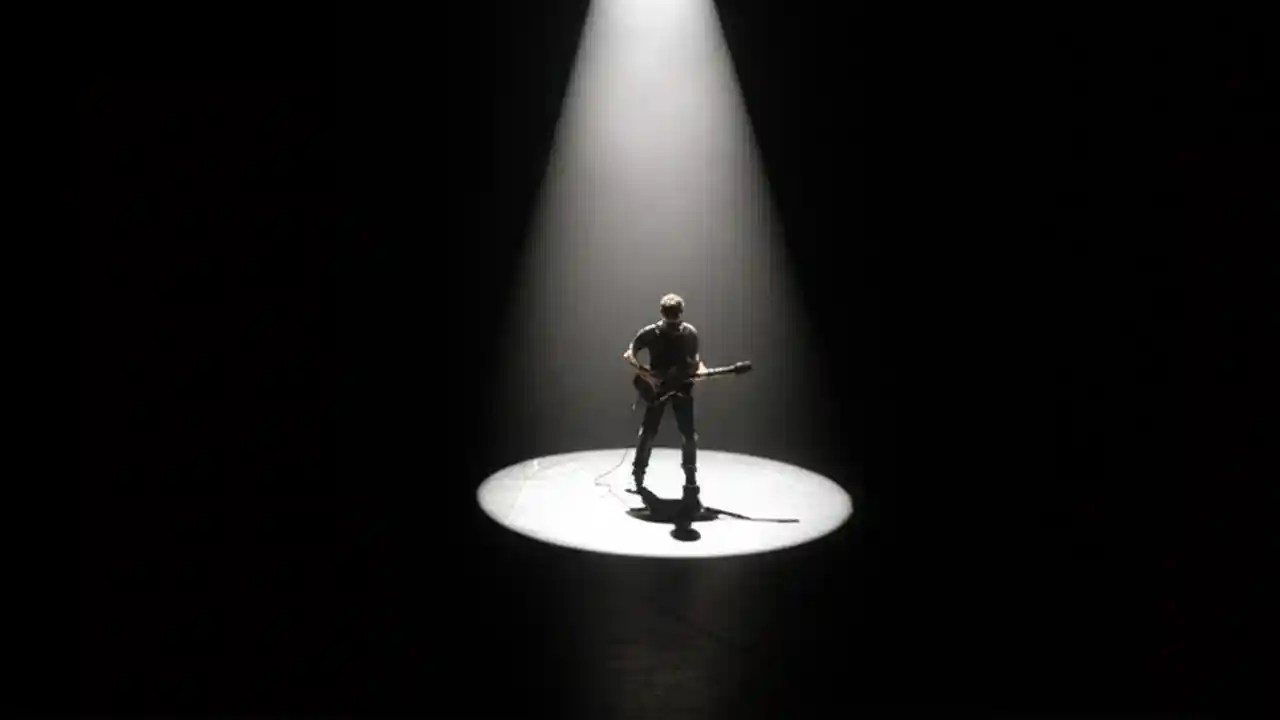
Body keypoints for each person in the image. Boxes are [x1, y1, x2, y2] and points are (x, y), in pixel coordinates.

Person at [622, 293, 707, 509]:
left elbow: (695, 360)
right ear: (662, 313)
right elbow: (630, 353)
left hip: (682, 388)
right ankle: (638, 473)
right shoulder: (651, 333)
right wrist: (645, 373)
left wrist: (698, 369)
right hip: (658, 390)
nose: (673, 321)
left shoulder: (689, 333)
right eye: (670, 317)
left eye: (675, 317)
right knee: (648, 432)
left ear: (681, 314)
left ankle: (690, 479)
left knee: (688, 435)